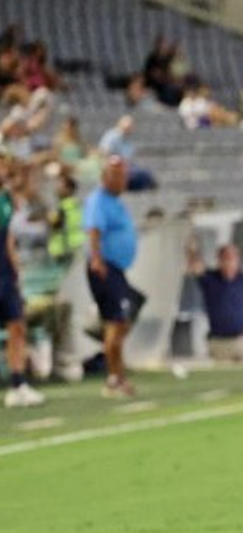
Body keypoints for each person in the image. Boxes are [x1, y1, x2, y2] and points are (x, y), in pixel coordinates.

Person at [84, 157, 138, 398]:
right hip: (105, 268)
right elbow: (94, 229)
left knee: (121, 323)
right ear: (107, 177)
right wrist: (97, 259)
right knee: (115, 323)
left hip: (116, 269)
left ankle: (118, 374)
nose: (123, 181)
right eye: (119, 176)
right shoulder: (98, 201)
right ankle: (114, 378)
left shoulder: (115, 201)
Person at [186, 240, 243, 362]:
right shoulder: (210, 279)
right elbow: (195, 266)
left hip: (241, 339)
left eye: (233, 258)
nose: (229, 262)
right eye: (226, 258)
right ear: (219, 260)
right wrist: (192, 249)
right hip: (219, 341)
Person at [1, 174, 45, 408]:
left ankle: (18, 384)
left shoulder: (6, 198)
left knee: (17, 325)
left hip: (5, 273)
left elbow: (8, 237)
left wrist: (16, 269)